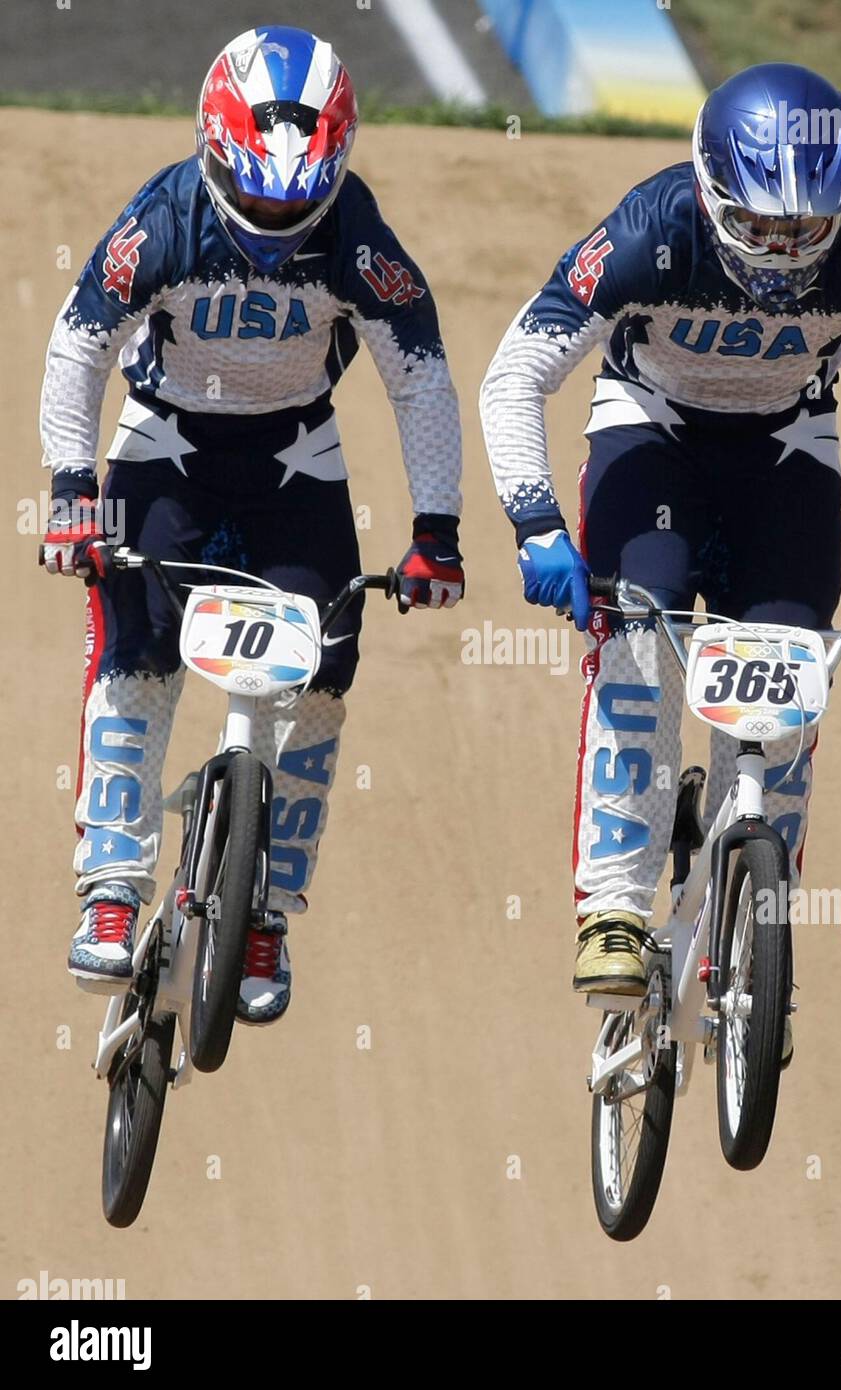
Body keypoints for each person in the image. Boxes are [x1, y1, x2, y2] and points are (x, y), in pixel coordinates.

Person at [480, 63, 841, 1031]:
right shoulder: (648, 228)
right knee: (640, 648)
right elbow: (515, 373)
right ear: (711, 190)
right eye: (761, 226)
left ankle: (754, 925)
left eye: (806, 231)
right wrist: (536, 525)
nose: (782, 254)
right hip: (652, 431)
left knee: (788, 687)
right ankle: (616, 906)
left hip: (783, 450)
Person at [41, 25, 464, 1023]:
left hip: (294, 463)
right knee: (136, 652)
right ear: (213, 149)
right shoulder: (164, 217)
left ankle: (265, 907)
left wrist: (434, 532)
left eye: (295, 197)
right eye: (259, 192)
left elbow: (422, 378)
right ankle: (111, 888)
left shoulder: (357, 235)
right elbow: (79, 345)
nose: (276, 213)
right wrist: (70, 496)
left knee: (324, 668)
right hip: (163, 452)